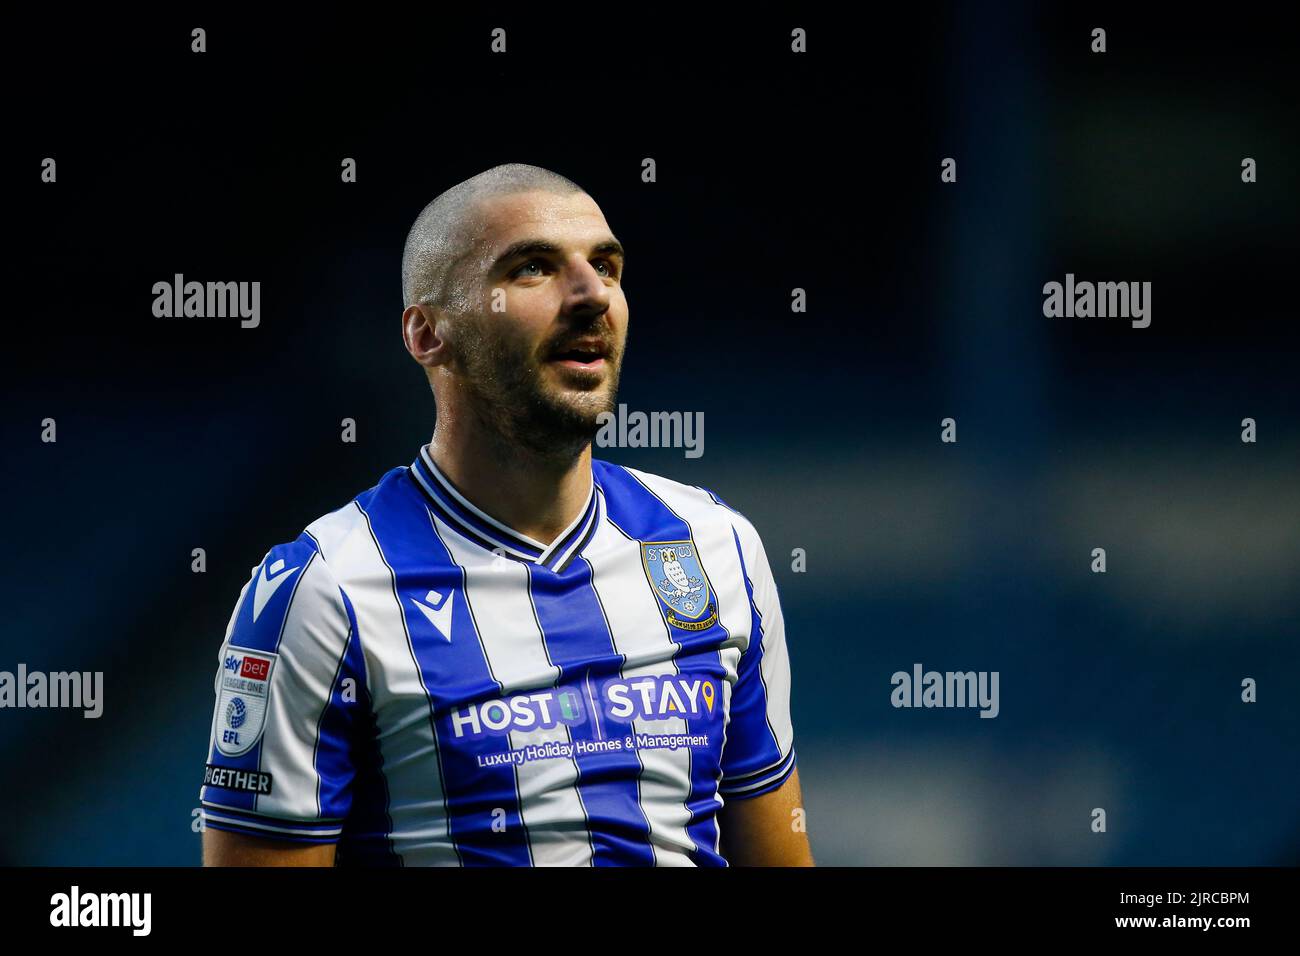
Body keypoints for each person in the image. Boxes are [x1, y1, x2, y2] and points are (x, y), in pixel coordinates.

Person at [199, 163, 812, 866]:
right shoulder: (323, 589)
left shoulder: (713, 546)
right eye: (532, 269)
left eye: (606, 266)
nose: (592, 296)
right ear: (428, 334)